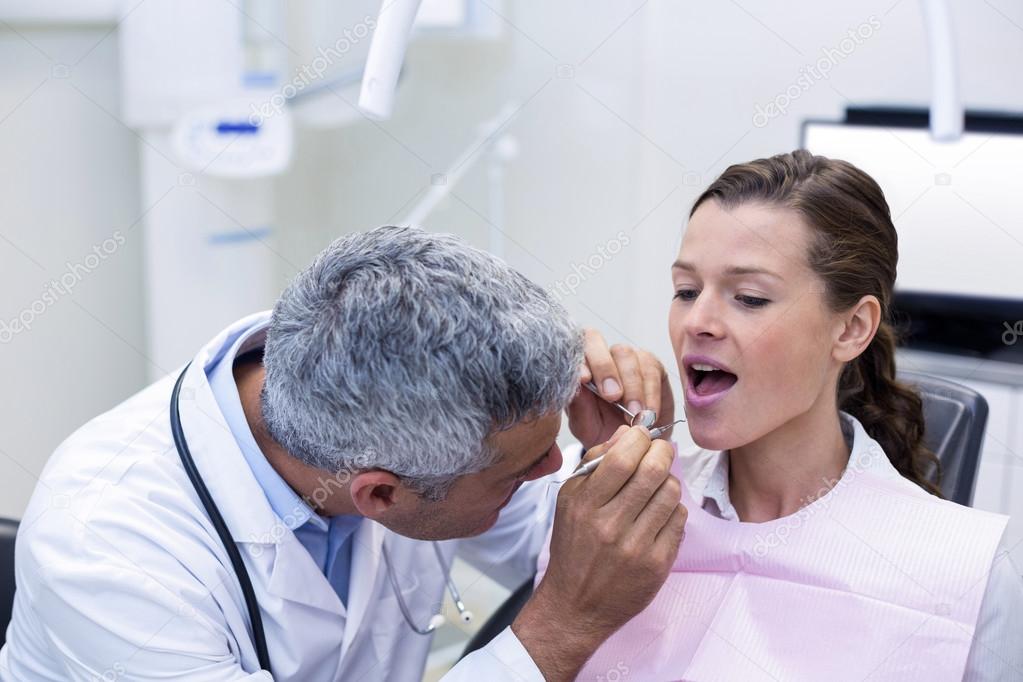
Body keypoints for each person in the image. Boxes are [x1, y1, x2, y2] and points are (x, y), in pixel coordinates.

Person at [0, 226, 686, 681]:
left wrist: (614, 455)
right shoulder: (108, 556)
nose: (553, 470)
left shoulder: (389, 412)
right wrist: (561, 626)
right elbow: (574, 587)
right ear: (380, 494)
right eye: (525, 469)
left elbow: (553, 543)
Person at [546, 150, 1023, 680]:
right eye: (685, 290)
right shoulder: (604, 511)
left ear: (851, 329)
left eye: (749, 298)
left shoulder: (971, 571)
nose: (697, 321)